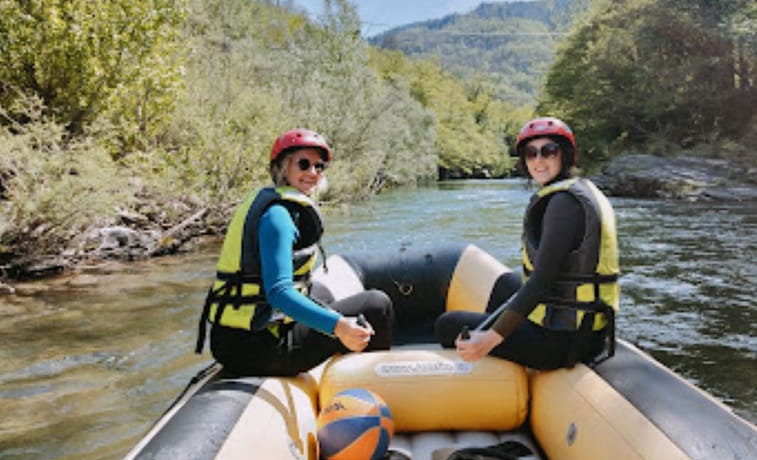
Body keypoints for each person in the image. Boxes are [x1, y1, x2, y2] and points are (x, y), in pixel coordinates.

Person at [195, 128, 394, 376]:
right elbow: (279, 293)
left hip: (237, 337)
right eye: (303, 164)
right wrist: (339, 326)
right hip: (257, 346)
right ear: (282, 167)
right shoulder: (277, 216)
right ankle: (372, 384)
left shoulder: (274, 203)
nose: (312, 172)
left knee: (320, 292)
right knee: (377, 305)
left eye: (319, 166)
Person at [435, 117, 620, 370]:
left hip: (565, 341)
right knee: (505, 286)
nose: (538, 161)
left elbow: (541, 281)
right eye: (531, 153)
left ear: (565, 154)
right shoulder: (578, 189)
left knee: (447, 324)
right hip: (584, 325)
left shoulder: (563, 204)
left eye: (549, 151)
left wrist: (490, 338)